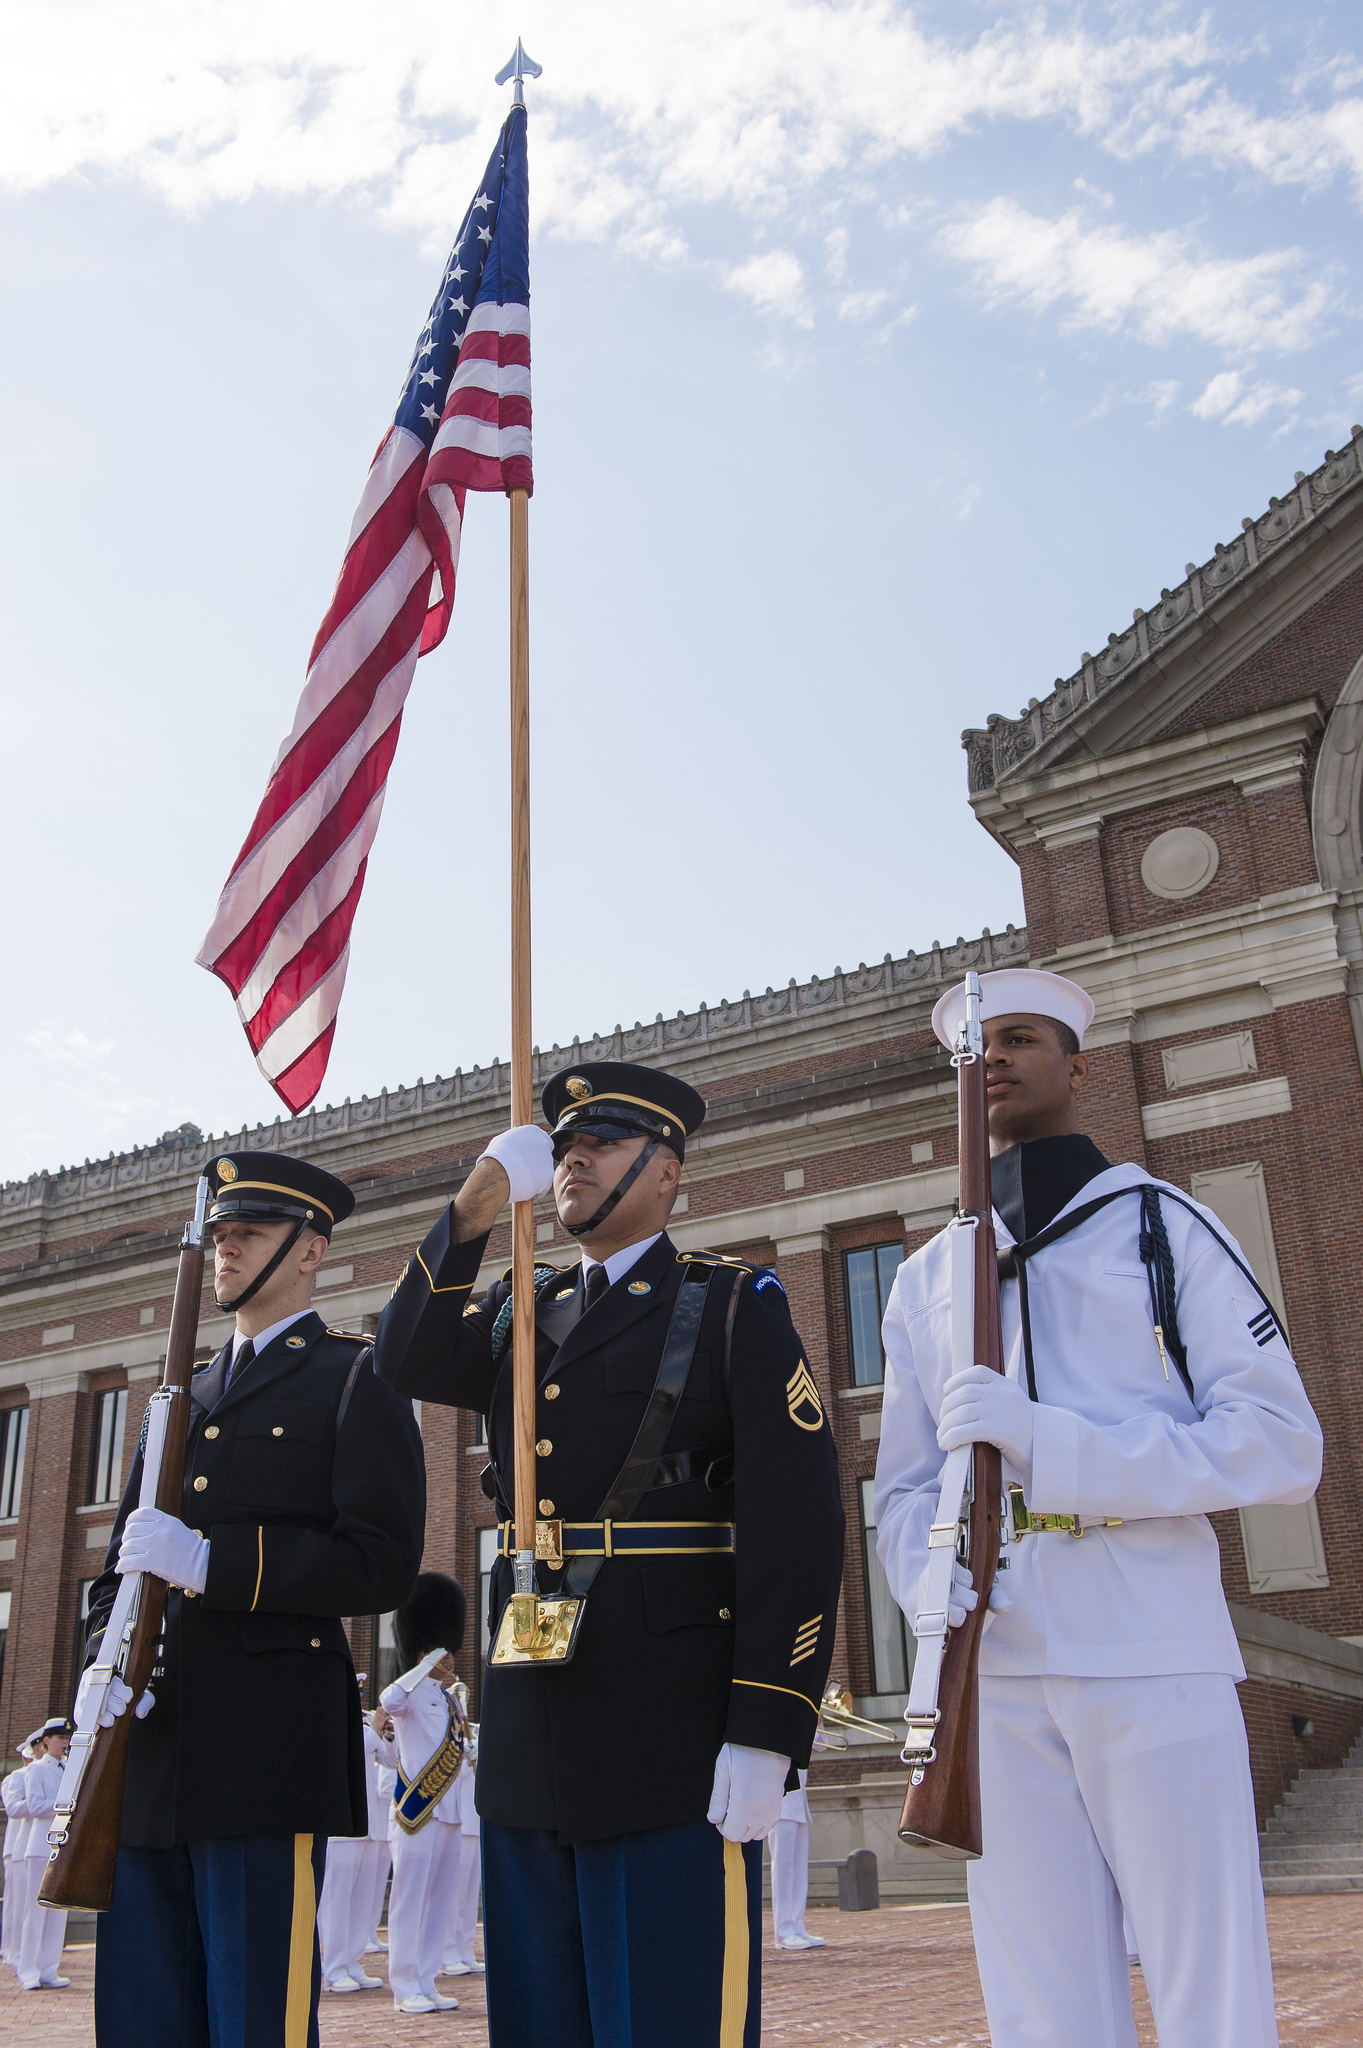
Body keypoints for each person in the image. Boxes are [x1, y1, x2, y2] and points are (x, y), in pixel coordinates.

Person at [873, 968, 1324, 2048]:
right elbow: (899, 1490)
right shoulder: (928, 1274)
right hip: (999, 1659)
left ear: (1077, 1065)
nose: (995, 1059)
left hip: (1146, 1644)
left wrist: (1053, 1445)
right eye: (974, 1046)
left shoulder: (1160, 1228)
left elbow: (1278, 1443)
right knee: (1038, 1990)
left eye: (1020, 1037)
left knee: (1202, 1970)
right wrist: (935, 1593)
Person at [375, 1059, 846, 2048]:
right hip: (530, 1709)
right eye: (564, 1147)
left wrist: (769, 1722)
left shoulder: (727, 1304)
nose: (573, 1158)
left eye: (602, 1142)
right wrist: (470, 1208)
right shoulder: (522, 1308)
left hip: (664, 1719)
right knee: (541, 2017)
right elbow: (404, 1357)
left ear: (666, 1172)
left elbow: (796, 1520)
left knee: (667, 2013)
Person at [82, 1150, 425, 2048]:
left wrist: (212, 1563)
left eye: (249, 1236)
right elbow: (123, 1562)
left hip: (263, 1752)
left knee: (253, 2018)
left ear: (309, 1250)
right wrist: (104, 1664)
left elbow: (381, 1563)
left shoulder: (357, 1376)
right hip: (152, 1749)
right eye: (221, 1236)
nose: (227, 1252)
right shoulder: (179, 1397)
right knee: (142, 2016)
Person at [379, 1574, 468, 2016]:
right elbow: (388, 1697)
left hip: (449, 1813)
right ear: (423, 1649)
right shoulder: (411, 1695)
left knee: (439, 1901)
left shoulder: (451, 1700)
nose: (450, 1657)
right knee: (409, 1899)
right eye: (441, 1650)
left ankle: (427, 1979)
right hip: (417, 1811)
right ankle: (403, 1983)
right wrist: (418, 1663)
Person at [15, 1719, 72, 1991]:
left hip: (62, 1846)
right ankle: (28, 1970)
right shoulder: (36, 1769)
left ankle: (49, 1968)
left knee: (58, 1909)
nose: (65, 1742)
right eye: (60, 1737)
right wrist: (66, 1806)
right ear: (46, 1741)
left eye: (66, 1737)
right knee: (35, 1911)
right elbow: (36, 1806)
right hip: (39, 1847)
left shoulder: (69, 1769)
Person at [767, 1721, 828, 1952]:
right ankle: (783, 1930)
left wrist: (818, 1720)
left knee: (799, 1868)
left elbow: (820, 1746)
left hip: (799, 1803)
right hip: (782, 1803)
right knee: (784, 1870)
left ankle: (796, 1923)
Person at [441, 1700, 483, 1976]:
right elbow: (452, 1776)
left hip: (476, 1824)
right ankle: (448, 1951)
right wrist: (466, 1756)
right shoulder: (450, 1745)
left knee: (469, 1896)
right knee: (454, 1895)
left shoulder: (472, 1741)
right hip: (460, 1822)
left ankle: (466, 1948)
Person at [0, 1737, 35, 1971]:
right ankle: (10, 1951)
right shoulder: (15, 1778)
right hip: (16, 1847)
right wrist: (38, 1803)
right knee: (15, 1904)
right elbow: (13, 1809)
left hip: (34, 1847)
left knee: (29, 1905)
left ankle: (28, 1953)